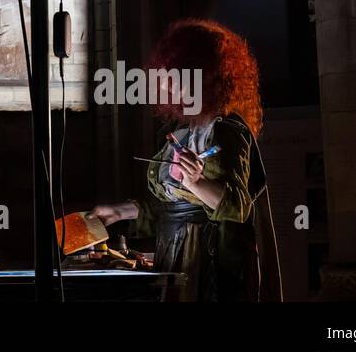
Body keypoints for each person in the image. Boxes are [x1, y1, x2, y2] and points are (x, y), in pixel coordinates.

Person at [90, 19, 282, 301]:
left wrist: (197, 182)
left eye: (177, 73)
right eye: (167, 73)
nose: (167, 81)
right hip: (175, 260)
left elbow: (239, 208)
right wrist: (119, 212)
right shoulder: (175, 133)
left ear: (207, 76)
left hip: (212, 267)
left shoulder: (227, 131)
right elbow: (168, 210)